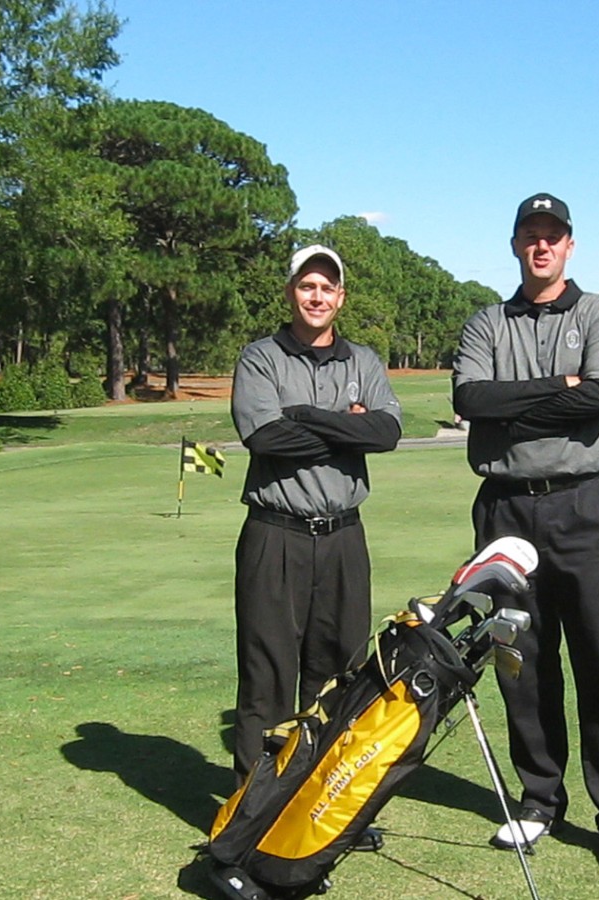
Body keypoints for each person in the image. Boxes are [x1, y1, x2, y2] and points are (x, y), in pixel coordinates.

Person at [452, 194, 599, 874]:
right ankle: (539, 799)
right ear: (514, 245)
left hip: (585, 507)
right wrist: (558, 388)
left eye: (553, 237)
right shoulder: (487, 322)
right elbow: (471, 403)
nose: (541, 247)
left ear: (570, 246)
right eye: (530, 236)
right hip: (505, 511)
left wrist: (518, 408)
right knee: (522, 667)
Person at [230, 245, 402, 809]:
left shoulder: (364, 361)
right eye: (308, 285)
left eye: (328, 287)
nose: (318, 297)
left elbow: (385, 433)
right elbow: (265, 438)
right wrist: (345, 426)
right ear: (291, 292)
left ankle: (322, 809)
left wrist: (302, 415)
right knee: (268, 675)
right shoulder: (260, 359)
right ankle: (254, 813)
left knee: (341, 678)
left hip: (344, 538)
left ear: (341, 297)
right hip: (275, 535)